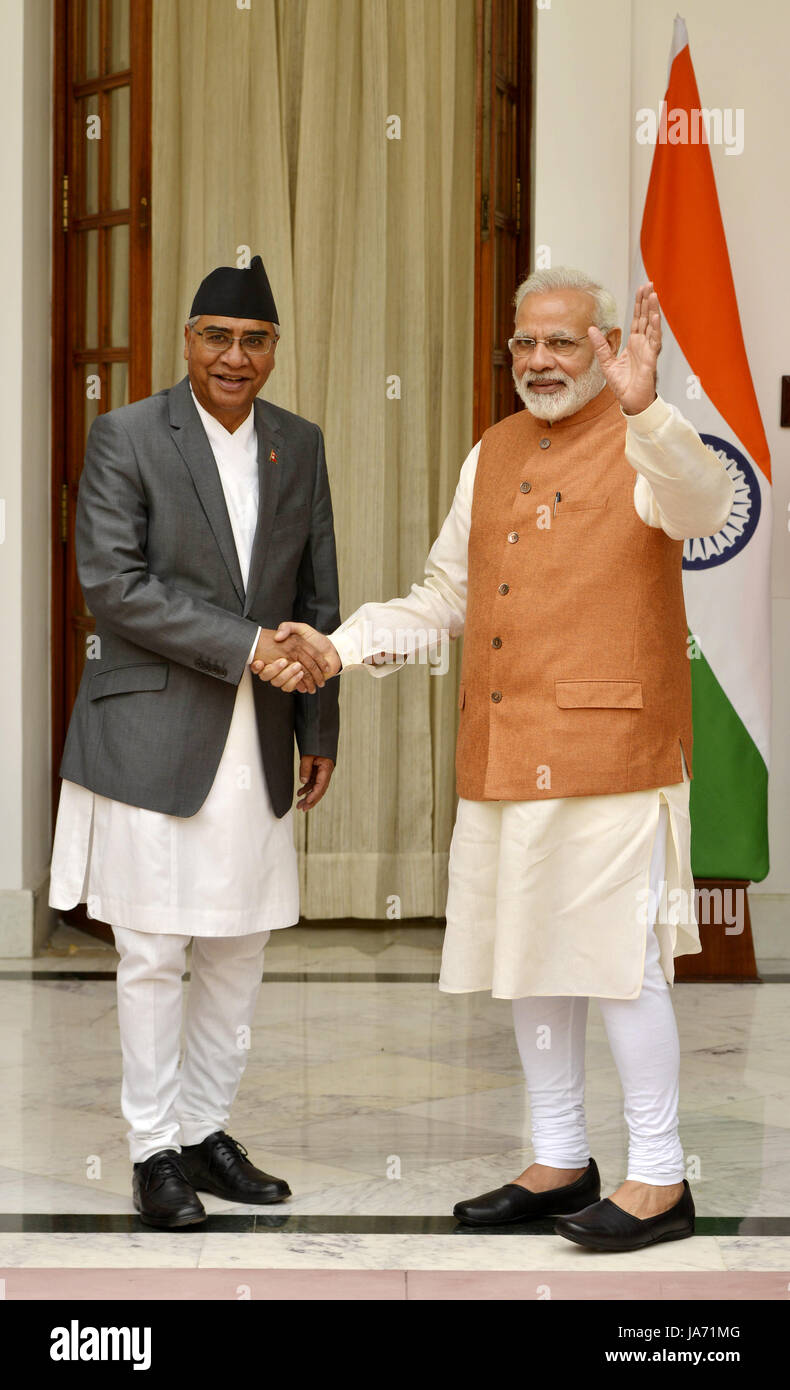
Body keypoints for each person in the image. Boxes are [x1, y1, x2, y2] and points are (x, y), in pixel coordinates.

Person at [268, 267, 735, 1252]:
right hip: (504, 749)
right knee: (533, 967)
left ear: (605, 344)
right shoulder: (491, 452)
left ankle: (661, 1176)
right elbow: (444, 593)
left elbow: (702, 506)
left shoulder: (646, 437)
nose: (537, 361)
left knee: (619, 969)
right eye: (524, 343)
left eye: (561, 342)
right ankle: (559, 1155)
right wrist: (338, 644)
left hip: (615, 754)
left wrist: (648, 407)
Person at [49, 255, 340, 1228]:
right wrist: (250, 646)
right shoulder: (128, 434)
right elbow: (113, 584)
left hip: (257, 737)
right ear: (187, 339)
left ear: (272, 351)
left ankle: (207, 1130)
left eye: (254, 339)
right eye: (216, 334)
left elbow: (315, 598)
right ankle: (150, 1151)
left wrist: (317, 719)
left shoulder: (297, 444)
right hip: (146, 732)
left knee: (239, 943)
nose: (234, 355)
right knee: (151, 946)